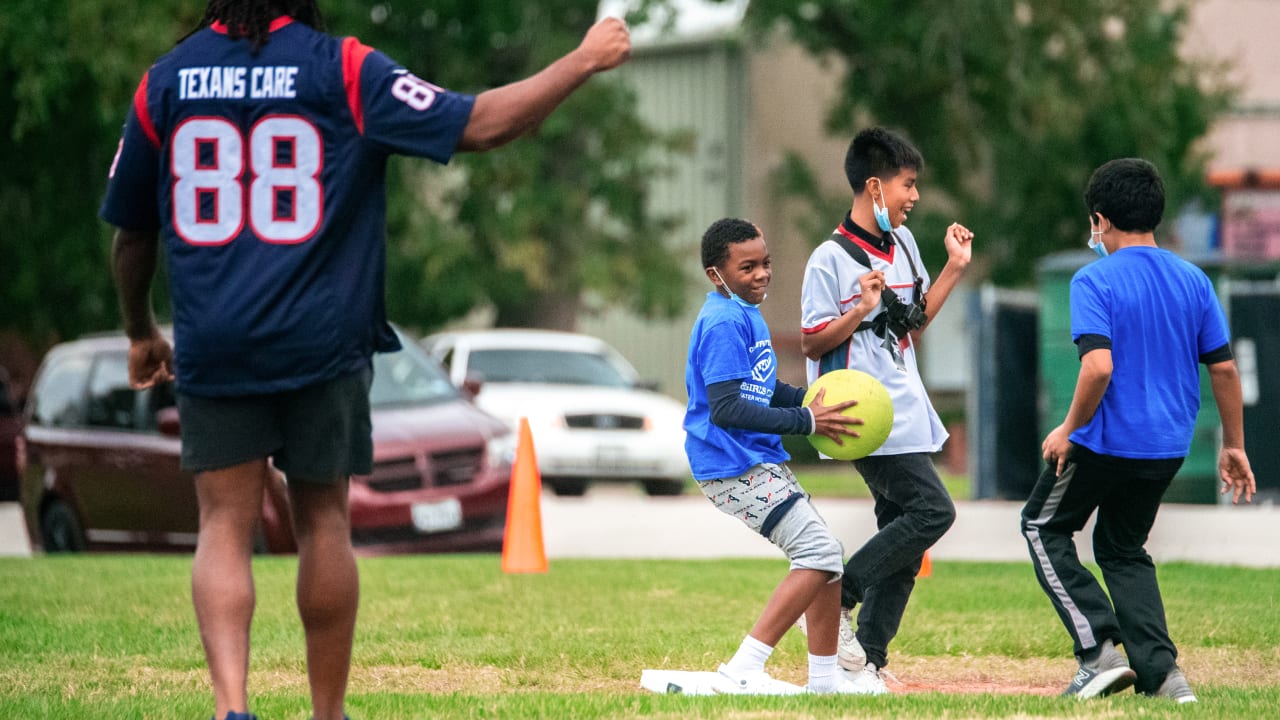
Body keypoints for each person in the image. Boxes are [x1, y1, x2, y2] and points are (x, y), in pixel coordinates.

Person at [99, 2, 630, 719]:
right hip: (322, 339)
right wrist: (584, 58)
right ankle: (327, 712)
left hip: (215, 341)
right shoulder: (343, 67)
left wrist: (140, 332)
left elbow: (132, 237)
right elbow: (481, 123)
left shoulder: (164, 81)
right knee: (323, 519)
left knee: (223, 524)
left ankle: (231, 705)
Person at [1019, 158, 1255, 703]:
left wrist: (1068, 429)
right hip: (1166, 446)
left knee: (1042, 527)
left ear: (1100, 220)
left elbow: (1097, 367)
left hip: (1103, 441)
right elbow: (1222, 367)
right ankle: (1166, 678)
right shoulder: (1193, 280)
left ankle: (1097, 652)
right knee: (1122, 548)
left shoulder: (1093, 278)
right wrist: (1235, 444)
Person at [798, 127, 973, 692]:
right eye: (908, 184)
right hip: (861, 415)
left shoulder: (904, 245)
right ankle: (838, 597)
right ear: (875, 186)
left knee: (903, 532)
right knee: (933, 512)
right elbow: (811, 341)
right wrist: (861, 309)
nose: (914, 196)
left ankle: (867, 662)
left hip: (908, 408)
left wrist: (953, 268)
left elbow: (915, 321)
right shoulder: (828, 259)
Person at [684, 217, 882, 695]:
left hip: (755, 461)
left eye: (766, 263)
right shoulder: (723, 321)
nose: (762, 274)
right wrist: (809, 422)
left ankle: (824, 680)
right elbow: (728, 408)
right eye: (747, 267)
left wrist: (807, 399)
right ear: (717, 275)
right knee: (818, 552)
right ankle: (743, 667)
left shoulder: (745, 312)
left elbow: (762, 387)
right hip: (731, 466)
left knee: (827, 560)